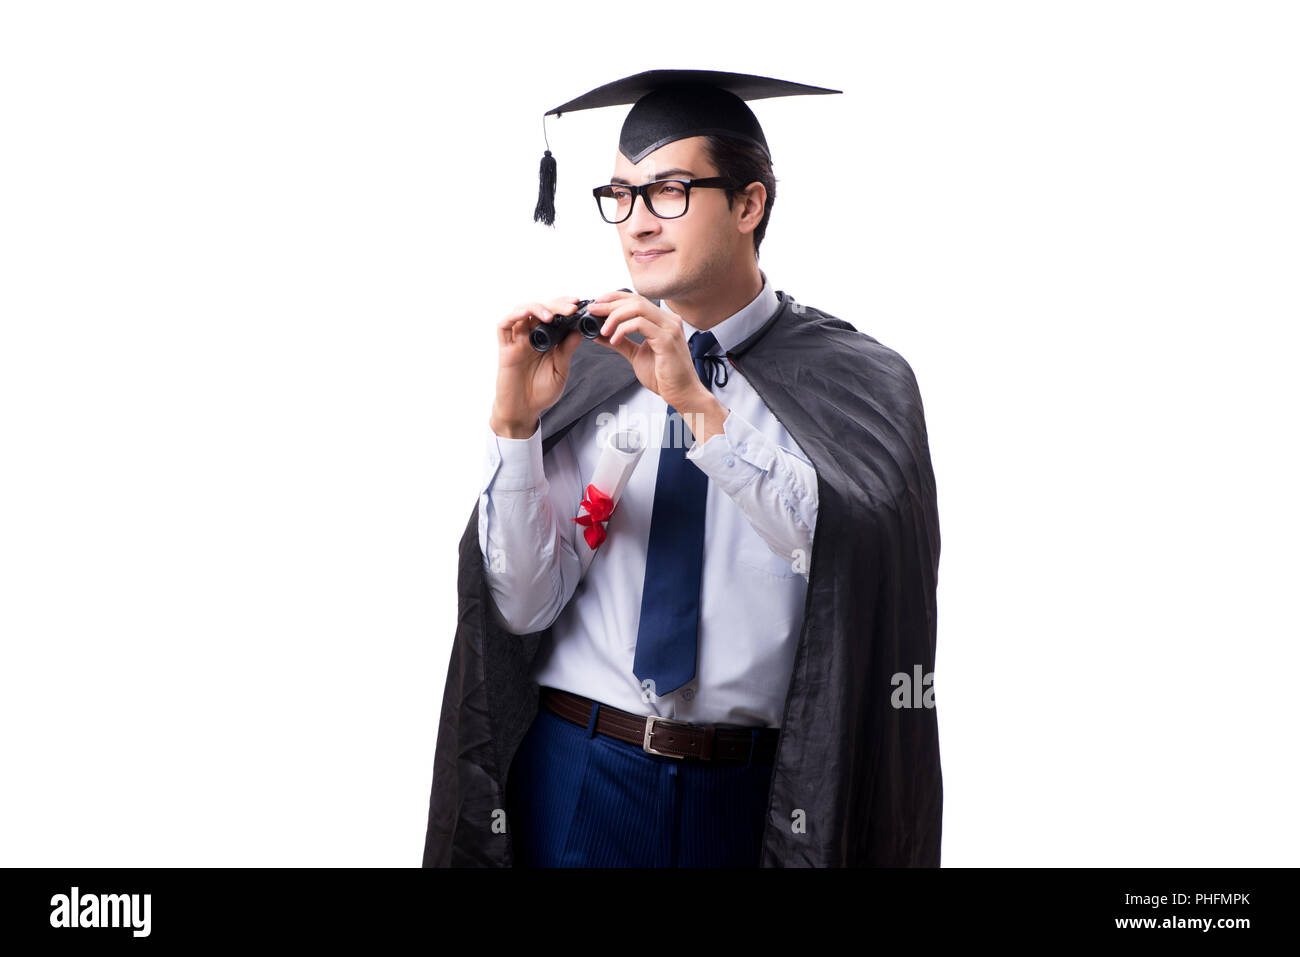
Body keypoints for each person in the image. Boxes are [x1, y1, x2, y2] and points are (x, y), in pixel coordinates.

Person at [422, 70, 943, 867]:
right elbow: (523, 608)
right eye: (620, 195)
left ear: (748, 205)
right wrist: (516, 430)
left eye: (667, 191)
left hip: (752, 797)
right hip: (578, 775)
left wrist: (699, 407)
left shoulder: (858, 379)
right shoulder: (585, 366)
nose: (635, 223)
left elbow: (848, 559)